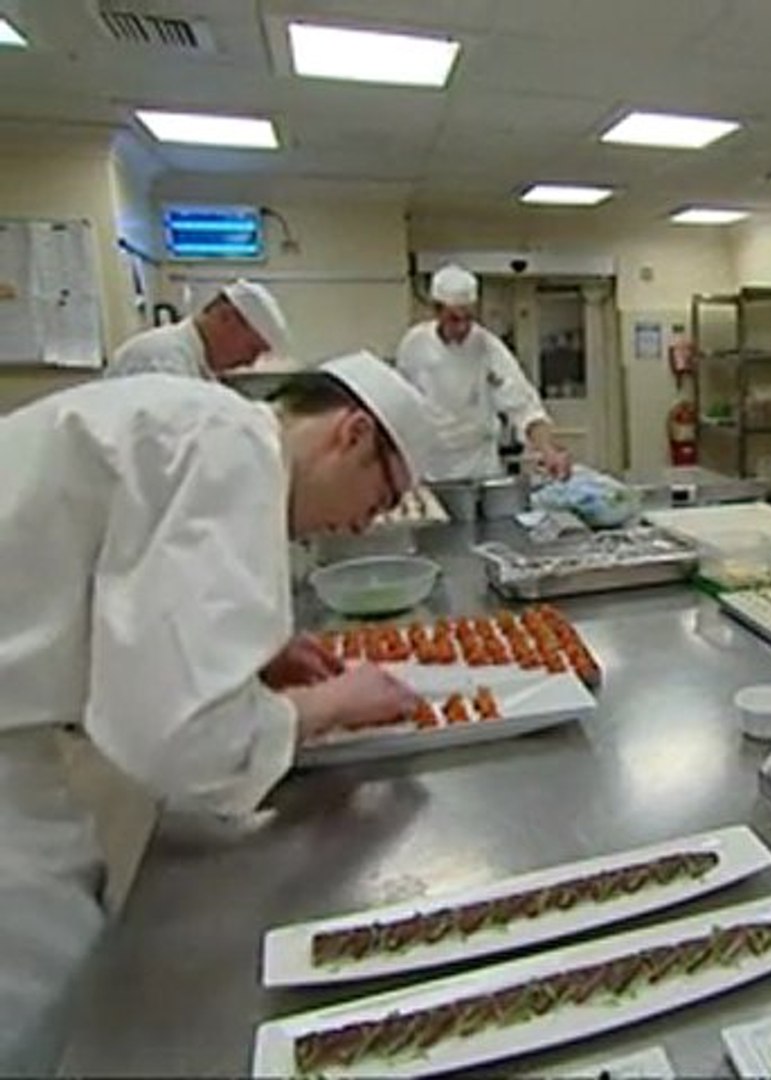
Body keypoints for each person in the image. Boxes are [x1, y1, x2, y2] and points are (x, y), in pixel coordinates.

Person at [0, 351, 434, 1072]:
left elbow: (123, 607)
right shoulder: (234, 457)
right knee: (45, 983)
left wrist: (253, 654)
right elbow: (175, 739)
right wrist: (325, 707)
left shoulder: (209, 427)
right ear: (352, 435)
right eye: (379, 500)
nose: (361, 528)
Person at [396, 264, 571, 481]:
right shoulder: (414, 345)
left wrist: (548, 451)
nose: (462, 328)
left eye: (468, 319)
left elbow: (524, 405)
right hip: (428, 465)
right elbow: (401, 406)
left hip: (479, 465)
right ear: (436, 311)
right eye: (454, 319)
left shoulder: (487, 347)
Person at [106, 279, 289, 379]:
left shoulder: (196, 365)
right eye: (252, 349)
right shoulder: (160, 359)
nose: (250, 362)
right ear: (227, 317)